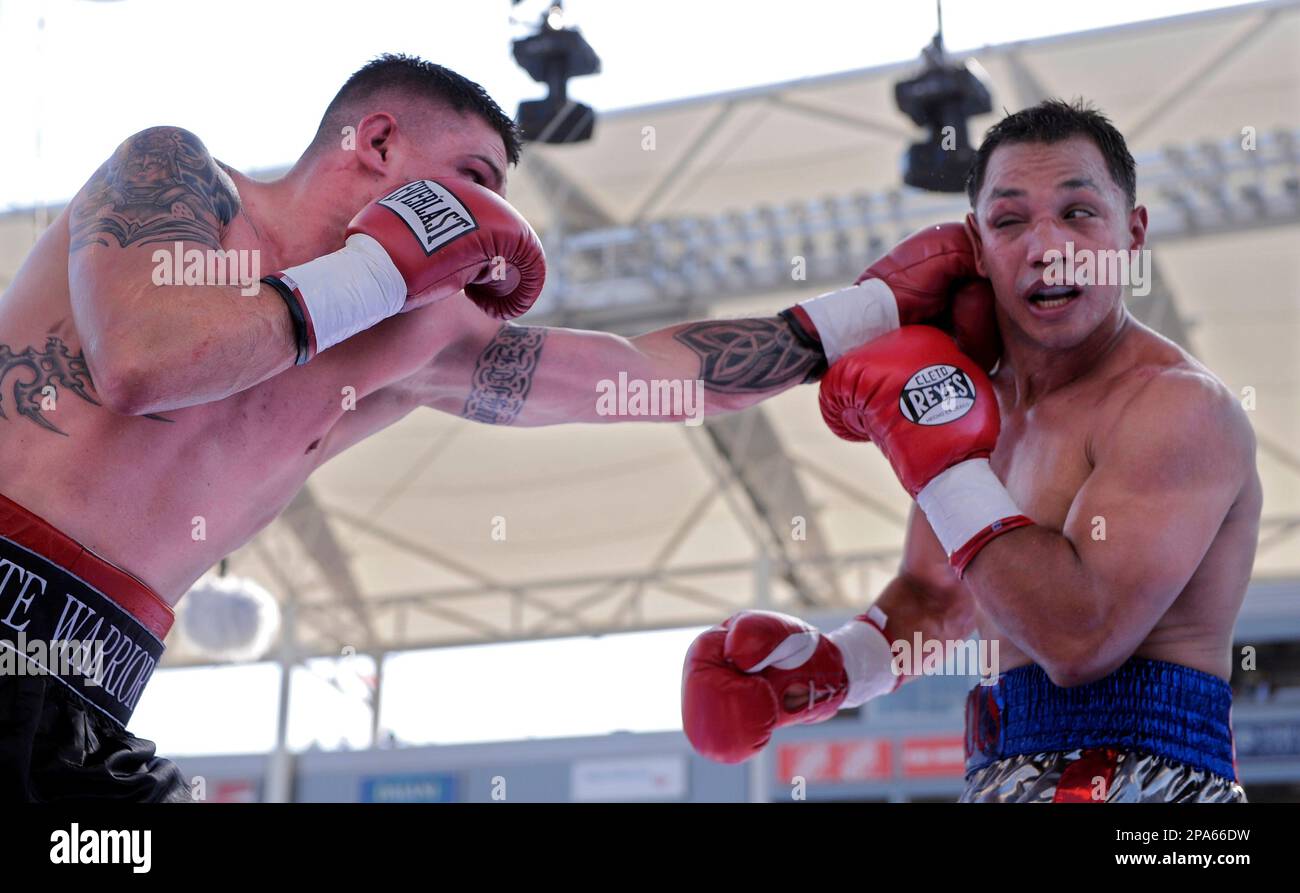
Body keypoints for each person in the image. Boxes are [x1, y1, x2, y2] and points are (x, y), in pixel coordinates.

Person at [0, 53, 986, 801]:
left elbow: (648, 377)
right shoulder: (177, 180)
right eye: (472, 179)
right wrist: (381, 267)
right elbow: (144, 359)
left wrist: (871, 311)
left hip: (87, 693)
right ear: (377, 144)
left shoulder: (416, 343)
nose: (485, 223)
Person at [682, 99, 1259, 803]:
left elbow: (1080, 637)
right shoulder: (975, 402)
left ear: (1132, 234)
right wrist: (835, 667)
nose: (1047, 245)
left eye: (1078, 213)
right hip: (998, 770)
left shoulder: (1178, 406)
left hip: (1150, 784)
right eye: (1011, 220)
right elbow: (934, 599)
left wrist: (947, 465)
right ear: (978, 247)